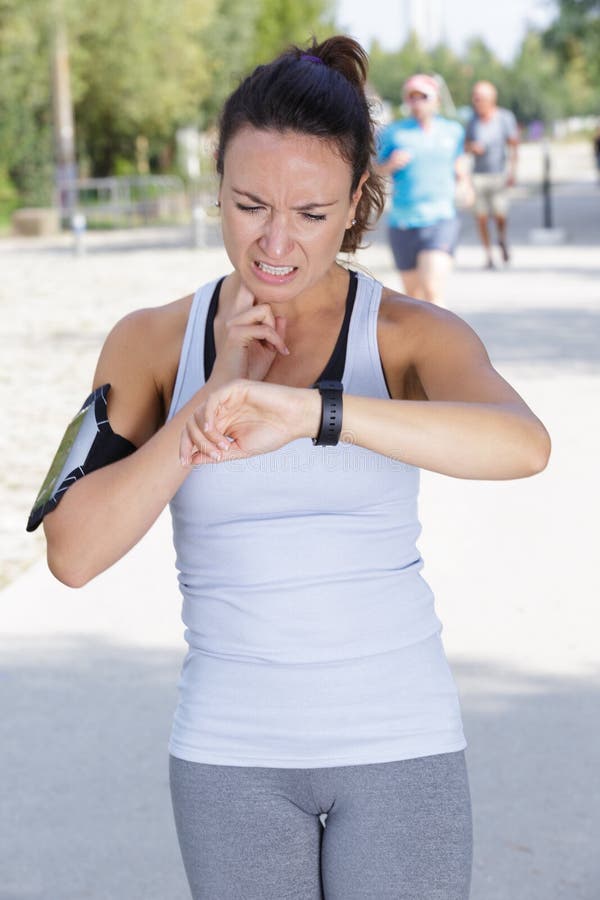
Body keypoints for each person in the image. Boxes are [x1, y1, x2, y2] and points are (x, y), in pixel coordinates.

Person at [30, 36, 551, 900]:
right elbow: (73, 552)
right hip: (230, 755)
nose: (275, 242)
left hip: (400, 741)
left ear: (353, 203)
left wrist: (314, 413)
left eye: (311, 214)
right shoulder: (153, 340)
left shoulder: (409, 335)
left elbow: (523, 445)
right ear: (218, 189)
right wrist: (203, 410)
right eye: (248, 205)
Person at [376, 73, 473, 304]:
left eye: (423, 97)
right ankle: (423, 340)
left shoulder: (453, 131)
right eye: (412, 97)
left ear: (437, 100)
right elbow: (372, 169)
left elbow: (458, 161)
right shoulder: (394, 133)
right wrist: (389, 165)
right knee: (414, 298)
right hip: (403, 221)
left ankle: (444, 340)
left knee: (432, 290)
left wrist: (466, 183)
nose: (417, 103)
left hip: (440, 219)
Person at [465, 81, 519, 269]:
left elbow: (513, 144)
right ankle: (488, 254)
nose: (477, 101)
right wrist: (473, 147)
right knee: (481, 217)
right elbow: (465, 146)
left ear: (491, 99)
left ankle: (502, 238)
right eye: (475, 98)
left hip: (499, 174)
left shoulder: (504, 118)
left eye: (480, 98)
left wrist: (513, 171)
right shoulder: (473, 121)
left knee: (500, 214)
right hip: (479, 176)